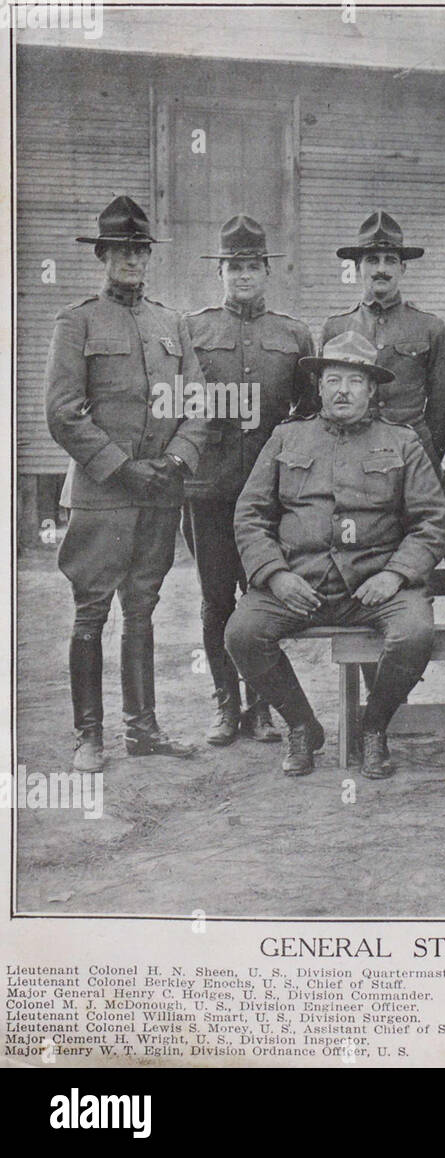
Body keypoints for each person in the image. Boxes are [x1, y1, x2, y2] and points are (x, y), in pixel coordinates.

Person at [225, 332, 445, 779]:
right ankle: (302, 725)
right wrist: (275, 575)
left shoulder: (401, 442)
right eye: (333, 379)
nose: (343, 390)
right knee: (243, 635)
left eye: (354, 380)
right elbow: (250, 515)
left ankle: (374, 727)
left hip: (374, 583)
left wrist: (396, 575)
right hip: (300, 581)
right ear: (320, 387)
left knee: (415, 632)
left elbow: (432, 521)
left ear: (372, 389)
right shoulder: (287, 438)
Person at [45, 195, 210, 772]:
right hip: (102, 495)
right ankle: (89, 735)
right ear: (103, 255)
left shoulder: (173, 323)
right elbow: (64, 411)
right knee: (91, 612)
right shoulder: (78, 320)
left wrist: (179, 460)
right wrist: (120, 466)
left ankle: (143, 729)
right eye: (121, 250)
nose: (133, 259)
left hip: (159, 491)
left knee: (142, 608)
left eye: (140, 249)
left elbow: (197, 404)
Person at [184, 215, 316, 746]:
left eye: (252, 266)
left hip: (270, 495)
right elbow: (178, 405)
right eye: (233, 266)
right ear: (221, 271)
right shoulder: (194, 330)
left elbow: (307, 412)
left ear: (267, 271)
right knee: (217, 599)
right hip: (210, 490)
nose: (242, 275)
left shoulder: (293, 334)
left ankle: (261, 707)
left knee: (261, 595)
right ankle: (225, 707)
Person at [321, 210, 445, 476]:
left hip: (413, 459)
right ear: (358, 267)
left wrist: (425, 457)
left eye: (390, 261)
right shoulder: (335, 328)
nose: (381, 269)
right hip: (352, 456)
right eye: (372, 260)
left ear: (402, 268)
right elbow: (324, 402)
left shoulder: (430, 327)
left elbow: (443, 406)